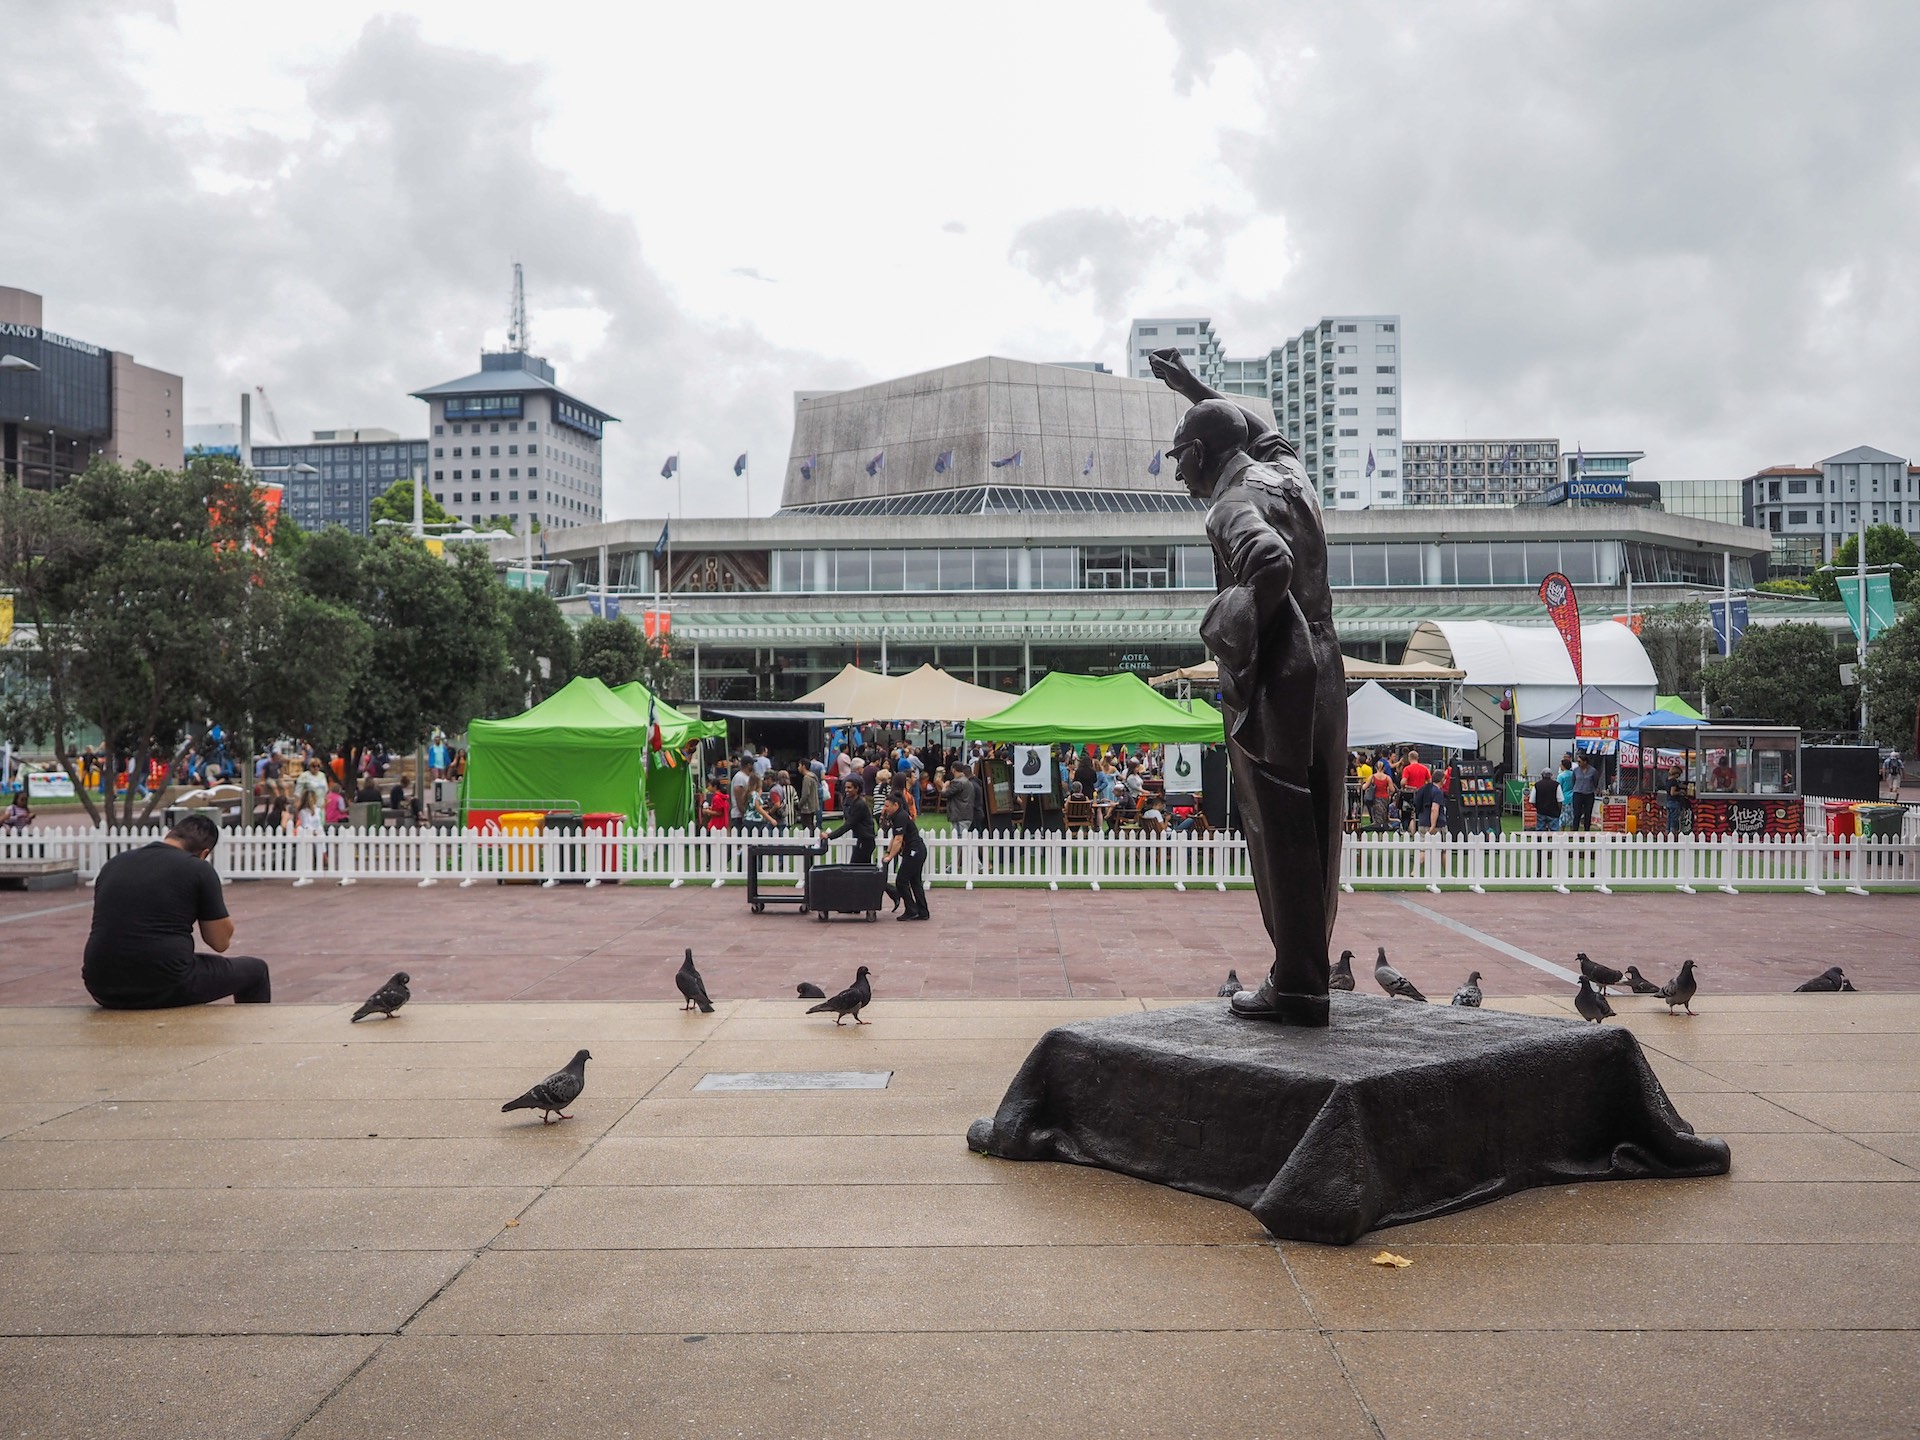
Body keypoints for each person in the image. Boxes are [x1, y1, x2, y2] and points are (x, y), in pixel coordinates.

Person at [1152, 363, 1346, 1026]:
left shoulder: (1230, 504)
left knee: (1280, 832)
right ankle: (1307, 974)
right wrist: (1197, 393)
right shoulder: (1289, 478)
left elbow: (1268, 563)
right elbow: (1264, 432)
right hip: (1327, 668)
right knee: (1320, 828)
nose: (1179, 477)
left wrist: (1229, 627)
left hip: (1279, 679)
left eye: (1179, 460)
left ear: (1200, 454)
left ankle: (1295, 984)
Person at [82, 814, 270, 1009]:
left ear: (170, 834)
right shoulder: (198, 868)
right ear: (204, 853)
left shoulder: (115, 863)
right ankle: (257, 1036)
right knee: (256, 970)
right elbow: (219, 942)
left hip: (101, 985)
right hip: (166, 984)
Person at [882, 791, 929, 920]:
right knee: (915, 882)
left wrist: (890, 857)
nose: (885, 808)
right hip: (915, 851)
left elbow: (898, 839)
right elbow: (894, 837)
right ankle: (923, 911)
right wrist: (888, 852)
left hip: (915, 852)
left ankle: (911, 910)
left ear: (895, 805)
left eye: (887, 806)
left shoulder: (901, 816)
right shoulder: (896, 816)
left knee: (901, 881)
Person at [822, 777, 876, 865]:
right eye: (846, 787)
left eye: (849, 787)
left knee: (855, 868)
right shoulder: (851, 802)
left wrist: (829, 835)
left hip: (866, 841)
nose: (846, 790)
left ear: (857, 788)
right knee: (862, 870)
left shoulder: (859, 805)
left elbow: (849, 824)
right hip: (863, 840)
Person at [944, 764, 978, 837]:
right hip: (967, 814)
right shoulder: (968, 782)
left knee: (958, 839)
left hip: (959, 815)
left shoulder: (957, 782)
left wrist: (944, 786)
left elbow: (946, 793)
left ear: (954, 770)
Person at [1570, 754, 1599, 831]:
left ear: (1585, 762)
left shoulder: (1593, 771)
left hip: (1589, 794)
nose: (1578, 763)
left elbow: (1595, 782)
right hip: (1578, 793)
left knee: (1588, 813)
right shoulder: (1576, 770)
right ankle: (1575, 830)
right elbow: (1573, 780)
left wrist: (1592, 788)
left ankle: (1587, 830)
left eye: (1580, 761)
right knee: (1577, 813)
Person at [797, 763, 823, 831]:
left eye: (799, 765)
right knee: (811, 825)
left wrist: (800, 804)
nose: (798, 768)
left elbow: (805, 794)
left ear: (804, 766)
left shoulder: (806, 778)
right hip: (813, 805)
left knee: (807, 827)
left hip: (807, 807)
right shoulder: (813, 777)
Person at [1556, 755, 1577, 831]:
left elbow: (1558, 787)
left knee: (1563, 816)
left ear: (1563, 766)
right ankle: (1572, 832)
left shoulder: (1561, 776)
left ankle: (1562, 831)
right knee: (1572, 815)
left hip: (1564, 797)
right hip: (1573, 797)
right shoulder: (1573, 774)